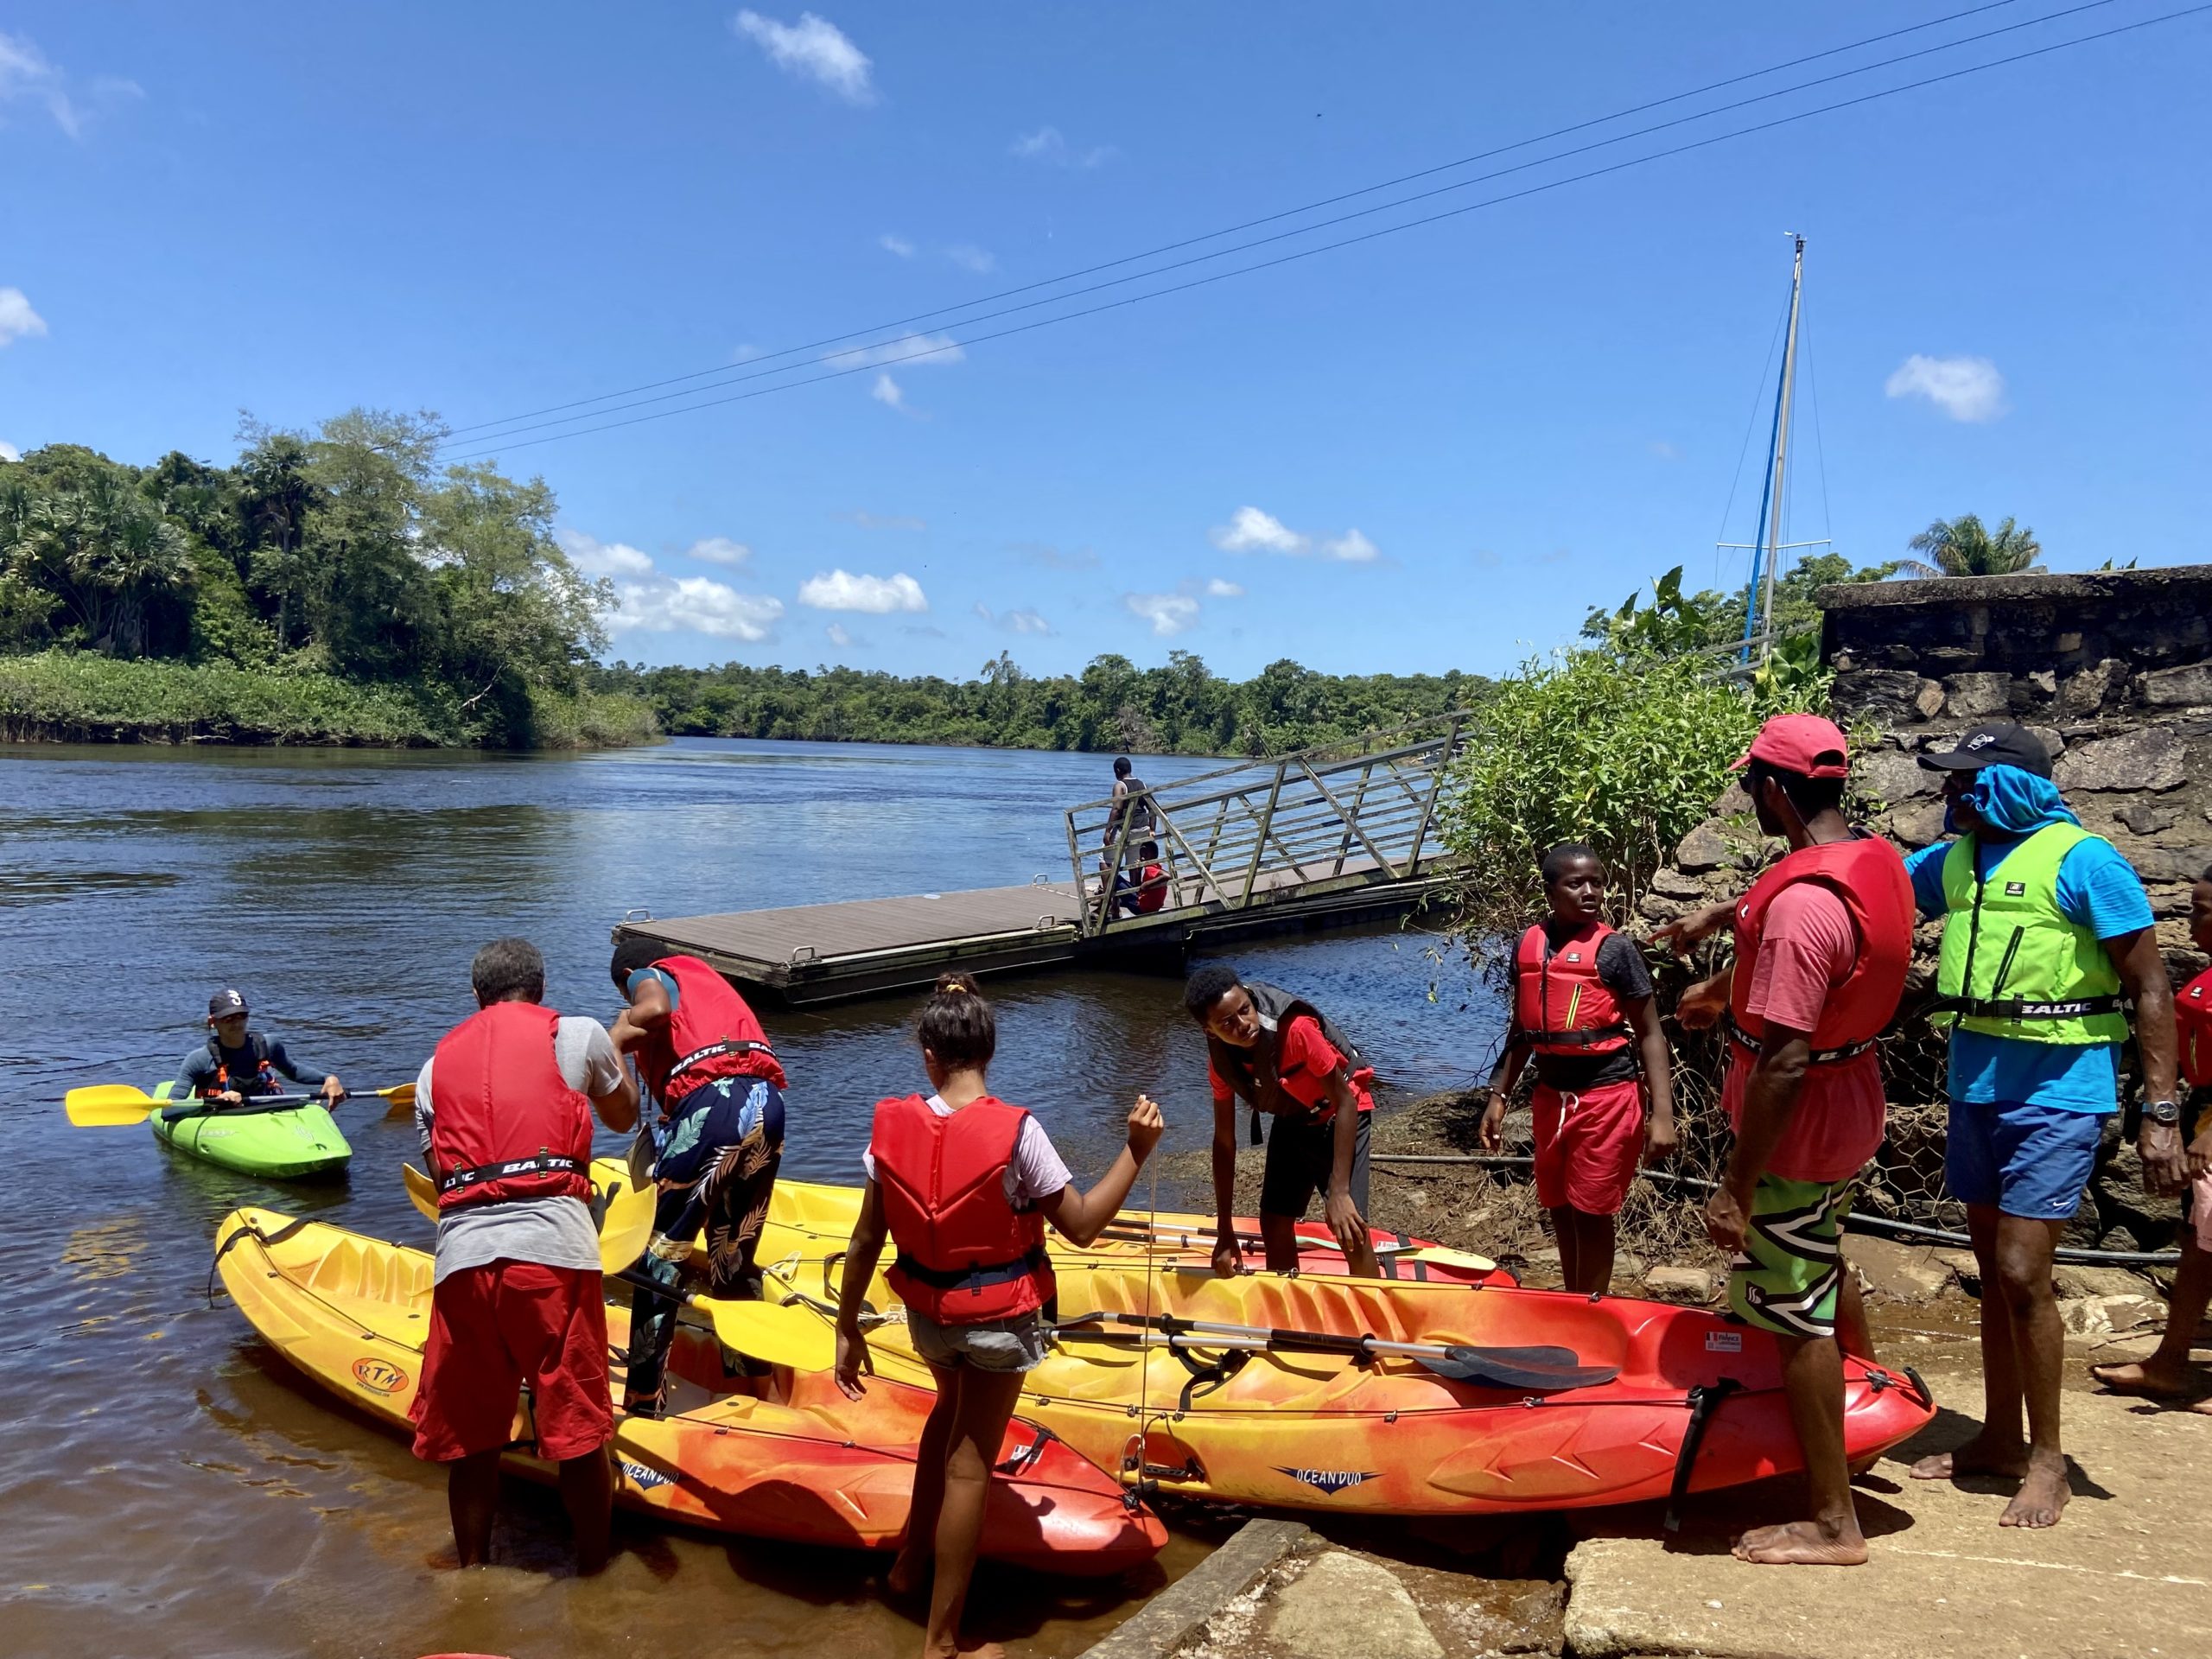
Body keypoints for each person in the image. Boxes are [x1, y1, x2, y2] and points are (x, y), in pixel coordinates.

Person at [1892, 721, 2183, 1529]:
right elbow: (1870, 886)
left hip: (2062, 1088)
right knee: (1993, 1270)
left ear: (2011, 784)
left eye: (1964, 780)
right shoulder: (1954, 859)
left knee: (2024, 1271)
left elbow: (2149, 986)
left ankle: (2049, 1460)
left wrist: (2159, 1113)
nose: (1950, 793)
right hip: (1975, 1083)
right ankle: (1998, 1438)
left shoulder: (2086, 861)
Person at [834, 974, 1162, 1659]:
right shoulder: (1020, 1131)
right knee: (969, 1464)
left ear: (928, 1053)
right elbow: (1081, 1227)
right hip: (996, 1323)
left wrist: (846, 1327)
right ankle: (943, 1643)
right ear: (989, 1052)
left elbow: (865, 1240)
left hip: (927, 1315)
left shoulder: (888, 1128)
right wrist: (1135, 1149)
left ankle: (905, 1568)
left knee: (943, 1415)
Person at [1659, 714, 1914, 1567]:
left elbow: (1785, 1058)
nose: (1748, 801)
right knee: (1820, 1256)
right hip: (1854, 1102)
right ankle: (1866, 1415)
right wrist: (1716, 954)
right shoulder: (1872, 861)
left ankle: (1832, 1520)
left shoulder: (1804, 906)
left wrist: (1734, 1186)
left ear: (1774, 791)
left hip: (1797, 1128)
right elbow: (1798, 939)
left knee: (1789, 1307)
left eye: (1750, 788)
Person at [410, 938, 639, 1573]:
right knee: (578, 1431)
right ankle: (594, 1575)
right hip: (553, 1255)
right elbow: (623, 1116)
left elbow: (442, 1173)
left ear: (477, 997)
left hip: (463, 1262)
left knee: (473, 1443)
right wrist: (617, 1052)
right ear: (539, 989)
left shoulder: (434, 1067)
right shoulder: (579, 1034)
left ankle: (472, 1576)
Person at [1480, 842, 1676, 1294]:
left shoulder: (1615, 950)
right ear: (1550, 891)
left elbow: (1650, 1033)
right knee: (1560, 1208)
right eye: (1576, 883)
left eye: (1597, 883)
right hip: (1551, 1098)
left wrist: (1662, 1116)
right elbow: (1522, 1030)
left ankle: (1591, 1309)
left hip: (1606, 1097)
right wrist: (1498, 1096)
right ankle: (1574, 1302)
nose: (1590, 892)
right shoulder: (1528, 946)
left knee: (1591, 1213)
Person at [607, 938, 791, 1414]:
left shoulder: (648, 977)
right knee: (731, 1263)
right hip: (767, 1105)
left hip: (715, 1106)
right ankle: (755, 1390)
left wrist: (612, 1038)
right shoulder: (704, 983)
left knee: (659, 1258)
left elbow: (654, 1006)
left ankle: (643, 1400)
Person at [2093, 861, 2212, 1412]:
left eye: (2200, 910)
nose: (2190, 921)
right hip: (2203, 1112)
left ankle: (2172, 1363)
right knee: (2200, 1243)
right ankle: (2171, 1362)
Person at [1185, 963, 1382, 1278]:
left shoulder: (1296, 1029)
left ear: (1248, 997)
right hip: (1293, 1118)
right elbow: (1224, 1141)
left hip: (1340, 1114)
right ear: (1210, 1031)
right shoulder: (1220, 1063)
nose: (1243, 1024)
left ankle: (1374, 1319)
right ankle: (1286, 1308)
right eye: (1226, 1023)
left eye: (1245, 1010)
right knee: (1274, 1221)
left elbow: (1347, 1101)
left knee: (1349, 1230)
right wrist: (1225, 1229)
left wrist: (1340, 1192)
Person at [180, 988, 343, 1106]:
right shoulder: (200, 1059)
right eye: (228, 1018)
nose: (237, 1023)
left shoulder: (268, 1045)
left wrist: (328, 1078)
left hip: (264, 1111)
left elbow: (293, 1071)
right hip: (219, 1117)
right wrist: (216, 1101)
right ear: (212, 1022)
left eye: (242, 1015)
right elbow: (167, 1112)